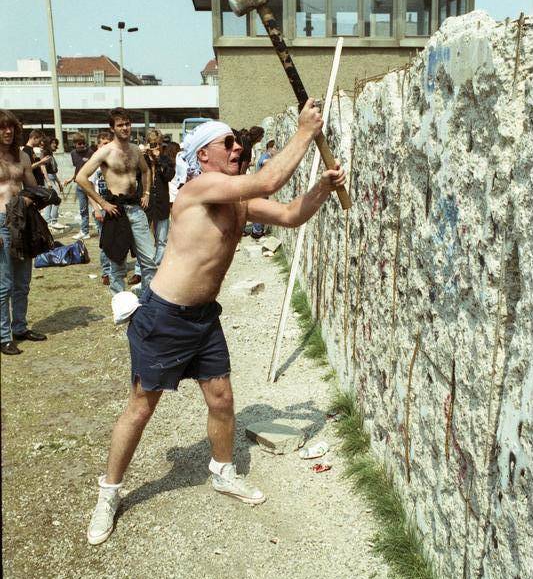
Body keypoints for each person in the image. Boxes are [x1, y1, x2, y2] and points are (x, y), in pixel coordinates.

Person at [86, 99, 345, 545]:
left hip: (203, 316)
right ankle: (108, 493)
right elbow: (269, 179)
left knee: (222, 398)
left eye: (237, 142)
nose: (237, 148)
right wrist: (305, 131)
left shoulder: (238, 202)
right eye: (228, 143)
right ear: (204, 155)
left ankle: (223, 471)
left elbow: (289, 214)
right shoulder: (200, 188)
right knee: (142, 408)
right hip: (164, 315)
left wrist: (322, 187)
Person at [75, 108, 157, 295]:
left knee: (149, 261)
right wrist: (102, 203)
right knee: (117, 263)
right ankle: (119, 302)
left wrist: (146, 193)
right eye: (120, 125)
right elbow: (81, 177)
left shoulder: (135, 150)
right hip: (116, 210)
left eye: (127, 124)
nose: (125, 128)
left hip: (135, 208)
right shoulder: (105, 152)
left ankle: (148, 302)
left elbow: (146, 170)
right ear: (112, 128)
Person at [0, 111, 47, 355]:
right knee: (4, 285)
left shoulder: (23, 157)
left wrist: (34, 197)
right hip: (1, 222)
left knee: (22, 282)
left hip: (23, 221)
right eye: (2, 127)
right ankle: (3, 335)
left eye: (11, 127)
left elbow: (32, 188)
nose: (7, 131)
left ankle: (19, 327)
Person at [128, 129, 175, 284]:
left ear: (161, 144)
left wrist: (158, 159)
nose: (154, 146)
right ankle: (139, 271)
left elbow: (169, 176)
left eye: (156, 143)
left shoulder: (166, 159)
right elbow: (132, 176)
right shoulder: (141, 158)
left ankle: (156, 268)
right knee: (141, 239)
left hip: (161, 202)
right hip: (145, 202)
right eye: (151, 143)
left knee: (161, 239)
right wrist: (140, 157)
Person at [87, 131, 113, 286]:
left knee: (116, 240)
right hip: (101, 208)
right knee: (105, 242)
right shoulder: (94, 163)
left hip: (114, 206)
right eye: (104, 143)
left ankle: (115, 269)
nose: (107, 146)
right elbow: (89, 189)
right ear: (98, 145)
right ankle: (106, 272)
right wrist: (96, 208)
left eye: (109, 143)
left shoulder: (114, 161)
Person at [64, 133, 91, 240]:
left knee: (97, 209)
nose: (82, 145)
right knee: (83, 209)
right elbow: (78, 168)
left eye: (83, 143)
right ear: (75, 144)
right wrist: (71, 179)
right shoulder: (73, 154)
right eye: (79, 144)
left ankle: (101, 230)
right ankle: (85, 231)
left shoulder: (90, 153)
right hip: (79, 184)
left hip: (89, 184)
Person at [251, 139, 277, 240]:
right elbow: (264, 162)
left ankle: (257, 230)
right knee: (260, 209)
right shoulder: (265, 157)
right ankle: (257, 232)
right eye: (275, 148)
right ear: (270, 149)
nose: (276, 151)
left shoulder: (266, 156)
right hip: (260, 188)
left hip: (261, 187)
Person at [42, 137, 65, 230]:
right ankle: (53, 221)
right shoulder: (45, 153)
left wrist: (59, 183)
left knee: (49, 200)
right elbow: (43, 167)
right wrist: (48, 181)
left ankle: (48, 221)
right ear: (48, 144)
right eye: (53, 143)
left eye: (56, 143)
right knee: (56, 198)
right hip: (48, 178)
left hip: (52, 178)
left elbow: (53, 171)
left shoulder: (50, 154)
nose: (55, 145)